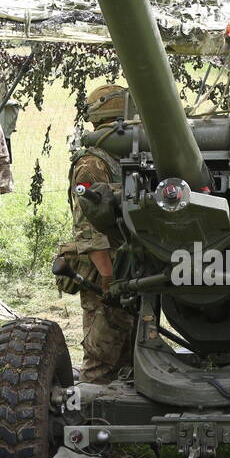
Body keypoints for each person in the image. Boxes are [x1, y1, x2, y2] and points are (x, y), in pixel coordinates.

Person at [64, 82, 135, 384]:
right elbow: (88, 230)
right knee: (103, 353)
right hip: (104, 269)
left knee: (131, 348)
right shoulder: (93, 164)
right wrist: (108, 278)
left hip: (127, 265)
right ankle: (91, 414)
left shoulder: (125, 158)